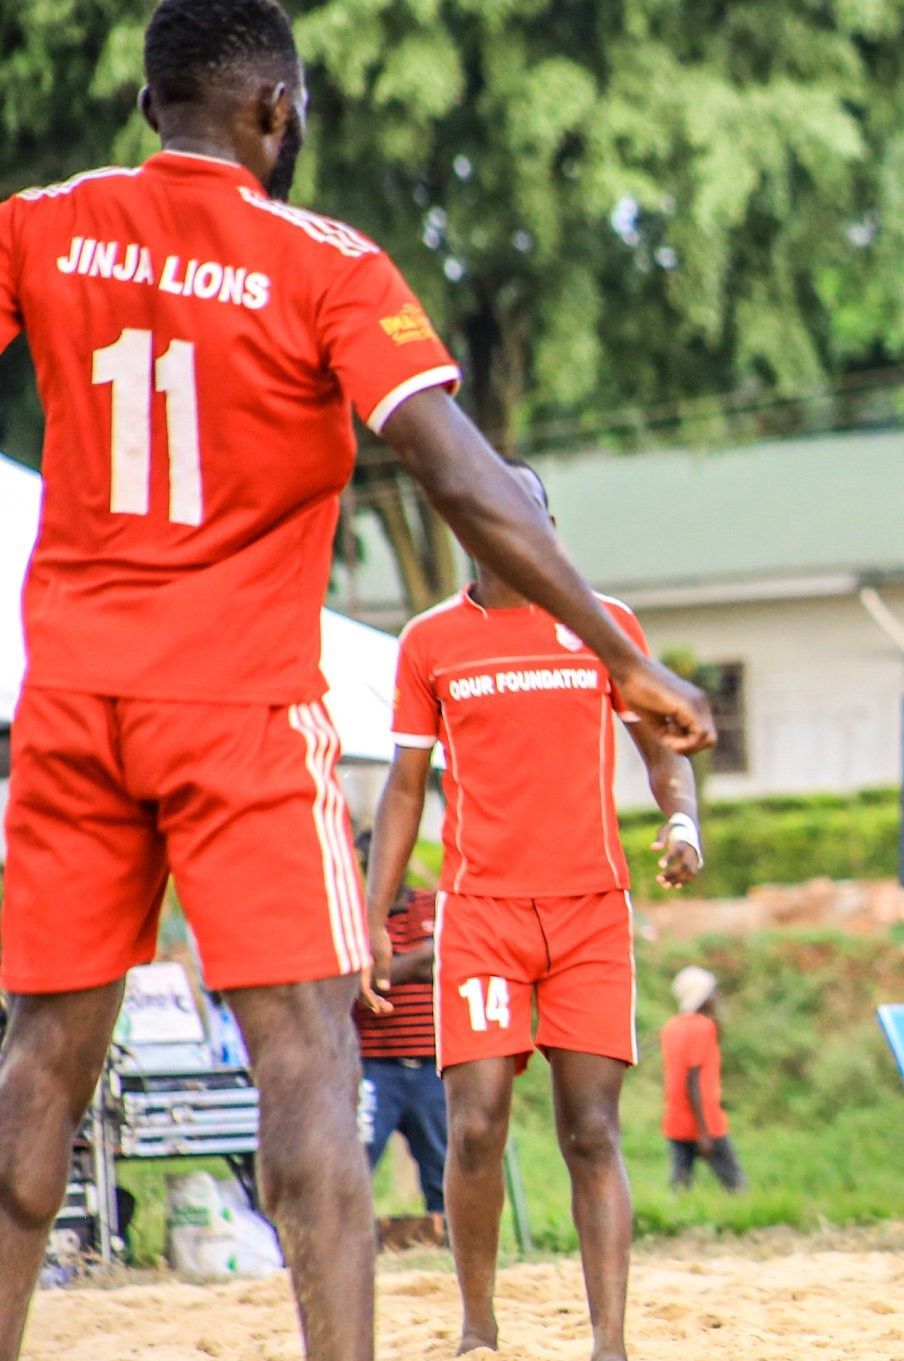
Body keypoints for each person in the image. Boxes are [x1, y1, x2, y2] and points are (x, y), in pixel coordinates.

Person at [0, 4, 713, 1358]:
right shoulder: (326, 262)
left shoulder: (40, 222)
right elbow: (464, 475)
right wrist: (623, 655)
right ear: (277, 110)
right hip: (242, 718)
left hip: (74, 707)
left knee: (40, 1060)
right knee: (311, 1064)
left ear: (157, 108)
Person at [362, 460, 705, 1361]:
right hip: (480, 917)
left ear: (548, 525)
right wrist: (369, 916)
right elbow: (403, 792)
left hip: (590, 912)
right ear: (466, 526)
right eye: (491, 515)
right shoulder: (430, 642)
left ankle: (610, 1343)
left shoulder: (604, 626)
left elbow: (668, 748)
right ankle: (478, 1329)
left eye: (530, 516)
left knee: (590, 1128)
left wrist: (682, 821)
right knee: (475, 1123)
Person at [351, 828, 446, 1243]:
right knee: (357, 1158)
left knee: (444, 1164)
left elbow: (447, 960)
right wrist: (419, 961)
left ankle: (451, 1244)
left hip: (432, 1064)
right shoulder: (353, 918)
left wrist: (382, 972)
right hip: (374, 1064)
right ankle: (347, 1244)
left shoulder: (432, 905)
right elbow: (349, 981)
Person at [663, 967, 744, 1193]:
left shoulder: (672, 1027)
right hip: (706, 1122)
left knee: (680, 1186)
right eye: (712, 993)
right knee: (736, 1184)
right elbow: (694, 1080)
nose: (716, 997)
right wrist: (704, 1131)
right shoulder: (703, 1027)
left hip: (676, 1121)